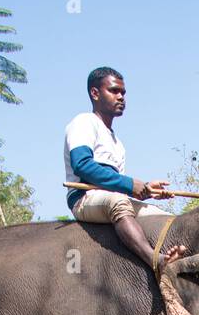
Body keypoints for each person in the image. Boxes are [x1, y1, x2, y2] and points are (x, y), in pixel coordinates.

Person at [63, 66, 187, 271]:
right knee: (118, 202)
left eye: (123, 92)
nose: (121, 97)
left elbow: (115, 183)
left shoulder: (118, 143)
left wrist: (146, 190)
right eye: (114, 91)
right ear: (95, 93)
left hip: (109, 196)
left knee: (161, 215)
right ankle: (156, 261)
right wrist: (130, 185)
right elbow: (82, 165)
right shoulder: (84, 122)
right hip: (84, 198)